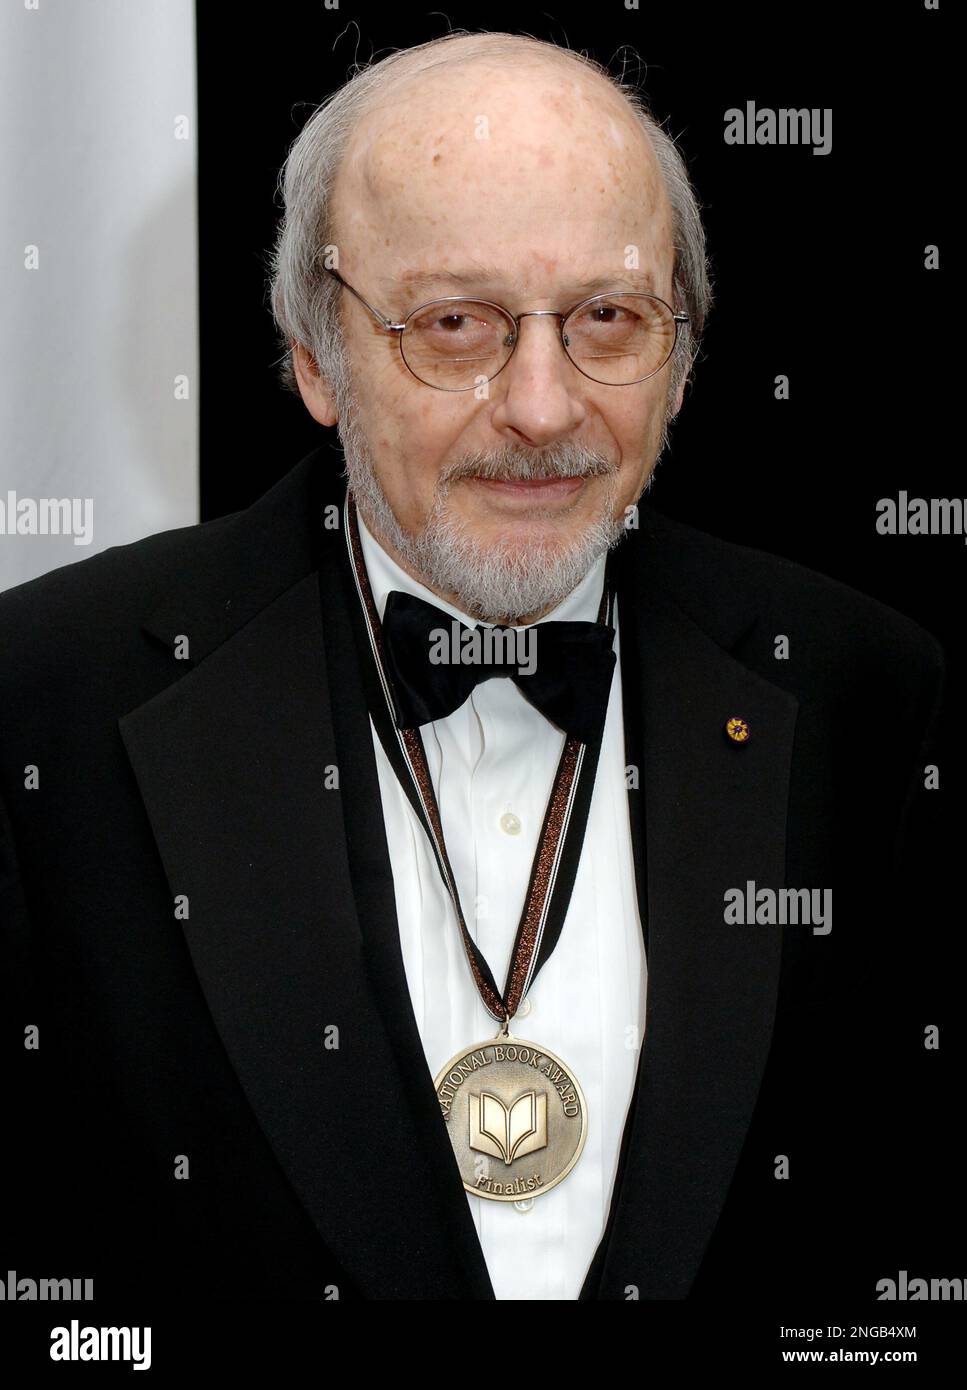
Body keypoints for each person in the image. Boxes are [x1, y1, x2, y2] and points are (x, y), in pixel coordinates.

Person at [0, 32, 943, 1302]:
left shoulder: (866, 691)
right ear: (314, 354)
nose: (545, 408)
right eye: (456, 326)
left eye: (607, 319)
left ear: (682, 352)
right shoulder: (41, 702)